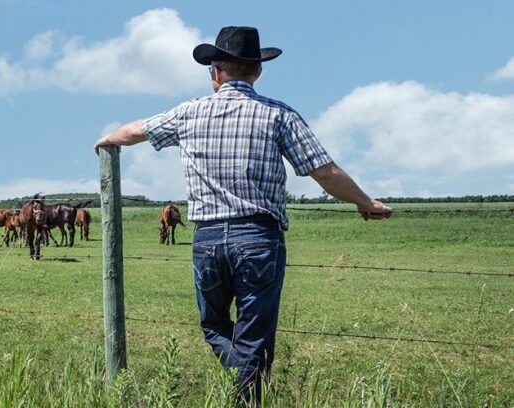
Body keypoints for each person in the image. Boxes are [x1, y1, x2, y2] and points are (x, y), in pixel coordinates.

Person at [92, 26, 393, 403]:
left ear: (215, 72)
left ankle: (242, 388)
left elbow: (137, 130)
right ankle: (246, 393)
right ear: (257, 71)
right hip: (258, 238)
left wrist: (106, 140)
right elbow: (325, 171)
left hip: (207, 240)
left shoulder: (189, 113)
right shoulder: (278, 115)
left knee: (214, 324)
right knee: (255, 336)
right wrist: (367, 203)